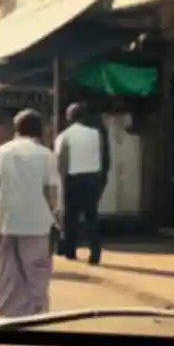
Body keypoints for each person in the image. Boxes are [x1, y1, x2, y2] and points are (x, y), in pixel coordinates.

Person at [0, 109, 61, 317]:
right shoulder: (46, 155)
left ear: (15, 130)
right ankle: (36, 315)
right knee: (36, 273)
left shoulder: (1, 153)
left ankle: (7, 315)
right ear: (40, 131)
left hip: (3, 222)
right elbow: (51, 193)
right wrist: (56, 219)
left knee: (6, 272)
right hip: (36, 225)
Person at [54, 102, 106, 265]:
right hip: (91, 178)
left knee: (70, 217)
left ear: (69, 117)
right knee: (91, 217)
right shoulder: (96, 134)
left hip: (72, 179)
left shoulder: (65, 136)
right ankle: (95, 252)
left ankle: (70, 251)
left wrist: (59, 183)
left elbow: (61, 160)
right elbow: (101, 154)